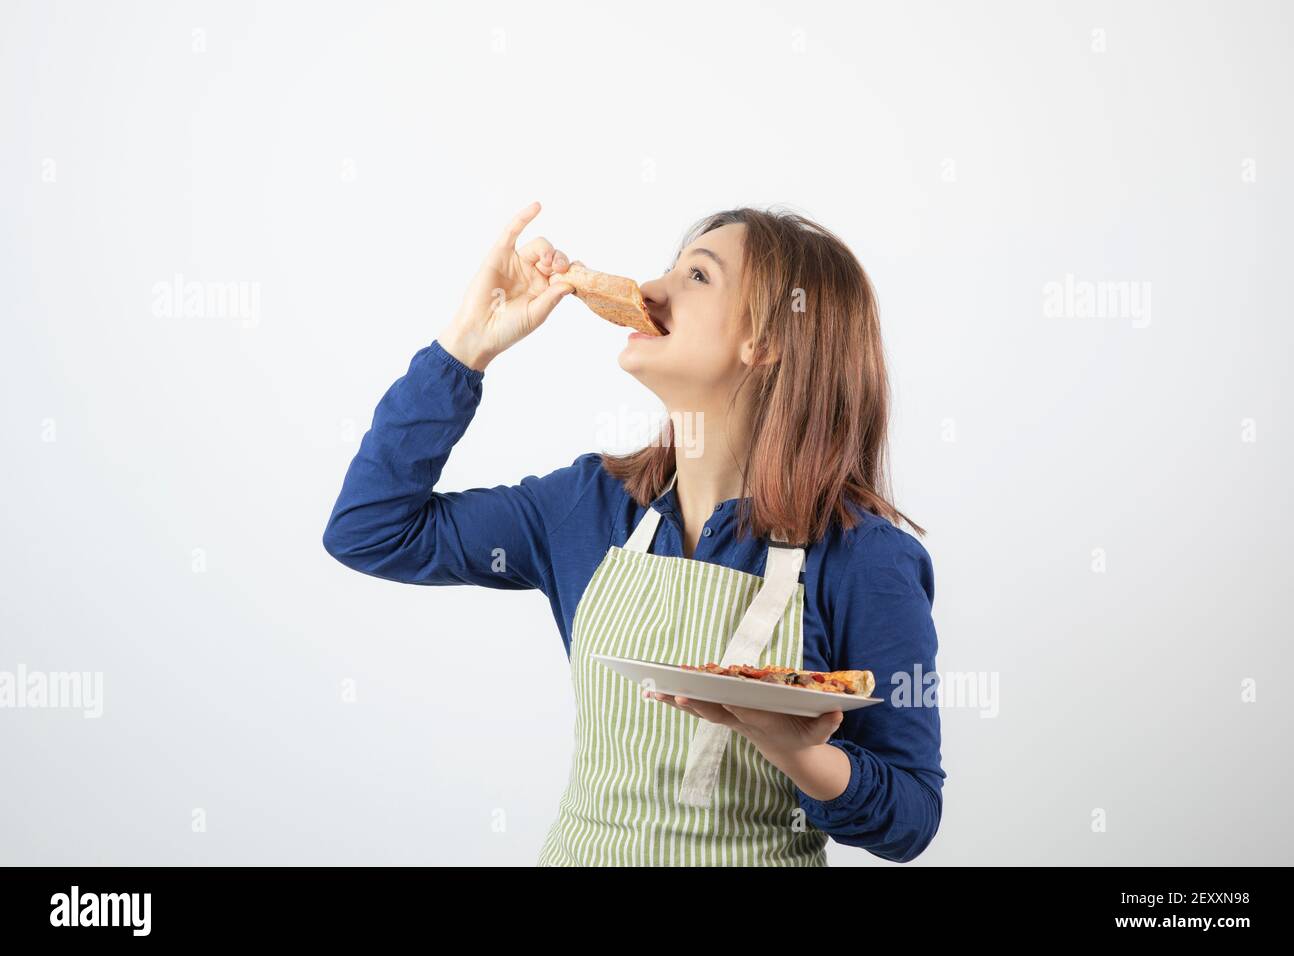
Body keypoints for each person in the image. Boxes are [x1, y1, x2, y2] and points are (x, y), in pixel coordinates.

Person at [323, 202, 945, 866]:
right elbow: (370, 528)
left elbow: (910, 817)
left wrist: (796, 749)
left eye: (698, 277)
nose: (647, 291)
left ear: (767, 343)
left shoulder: (866, 559)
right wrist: (466, 347)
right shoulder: (589, 507)